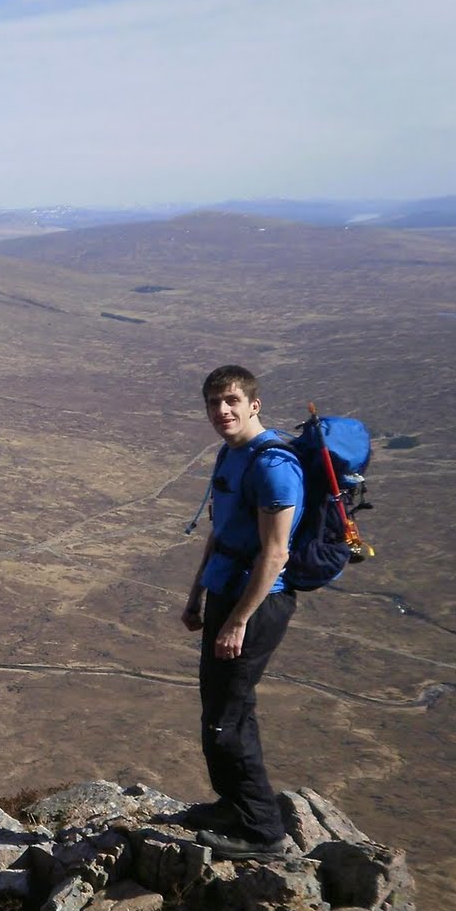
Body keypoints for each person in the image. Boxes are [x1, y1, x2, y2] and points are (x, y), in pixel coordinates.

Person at [180, 365, 304, 860]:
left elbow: (276, 554)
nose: (221, 411)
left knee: (228, 716)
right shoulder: (230, 456)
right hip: (226, 595)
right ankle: (233, 804)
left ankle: (263, 832)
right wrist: (197, 596)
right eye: (213, 403)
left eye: (231, 401)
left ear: (255, 404)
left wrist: (237, 621)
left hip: (258, 603)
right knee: (219, 708)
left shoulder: (273, 466)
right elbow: (220, 532)